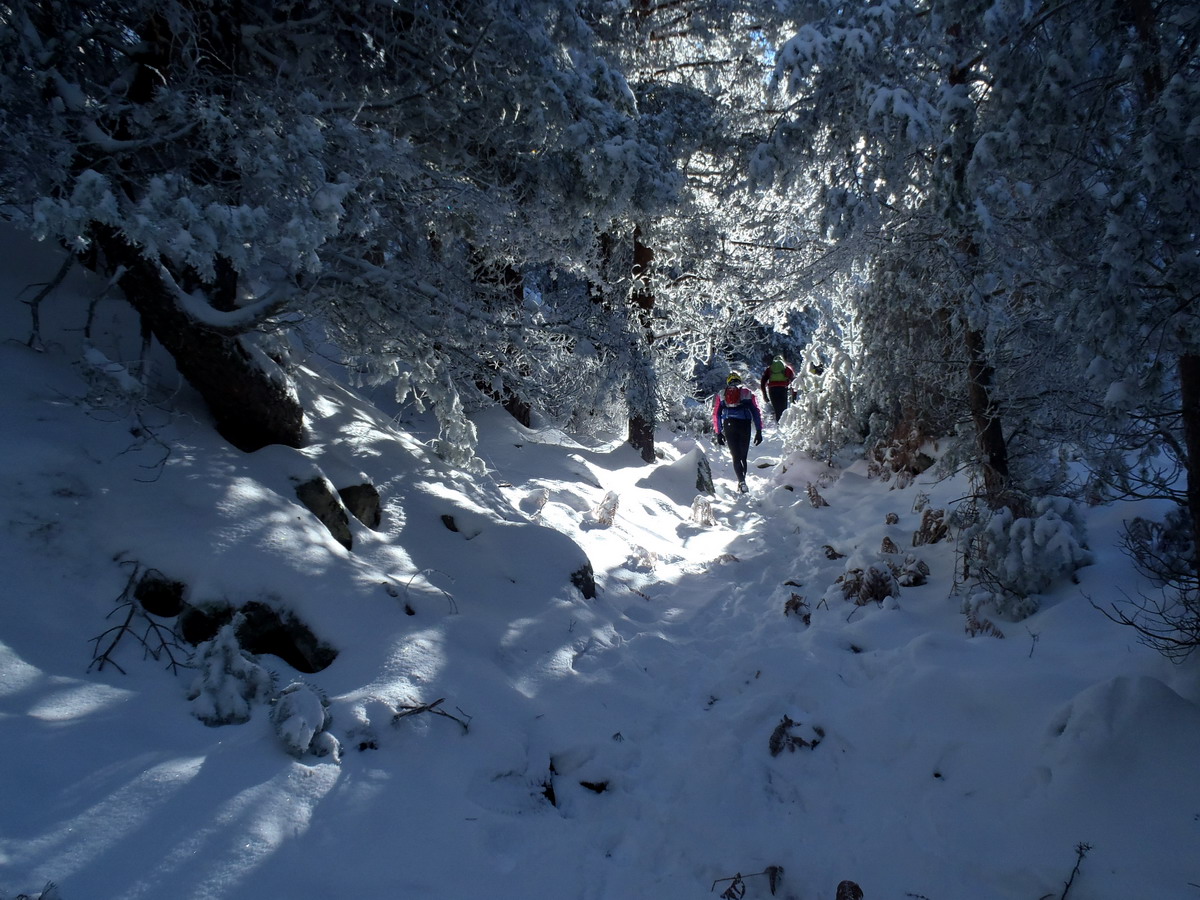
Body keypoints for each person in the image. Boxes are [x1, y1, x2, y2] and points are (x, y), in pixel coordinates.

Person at [713, 372, 763, 493]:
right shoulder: (747, 392)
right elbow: (756, 411)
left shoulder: (722, 394)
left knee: (735, 456)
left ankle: (741, 482)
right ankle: (743, 482)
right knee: (743, 456)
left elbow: (716, 414)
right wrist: (759, 430)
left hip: (729, 424)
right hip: (744, 425)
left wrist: (718, 432)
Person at [760, 354, 796, 423]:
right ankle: (783, 428)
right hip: (783, 389)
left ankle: (779, 426)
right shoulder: (786, 368)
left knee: (777, 410)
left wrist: (765, 395)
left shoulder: (770, 369)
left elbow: (763, 382)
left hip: (772, 390)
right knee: (783, 410)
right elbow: (794, 382)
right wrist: (794, 397)